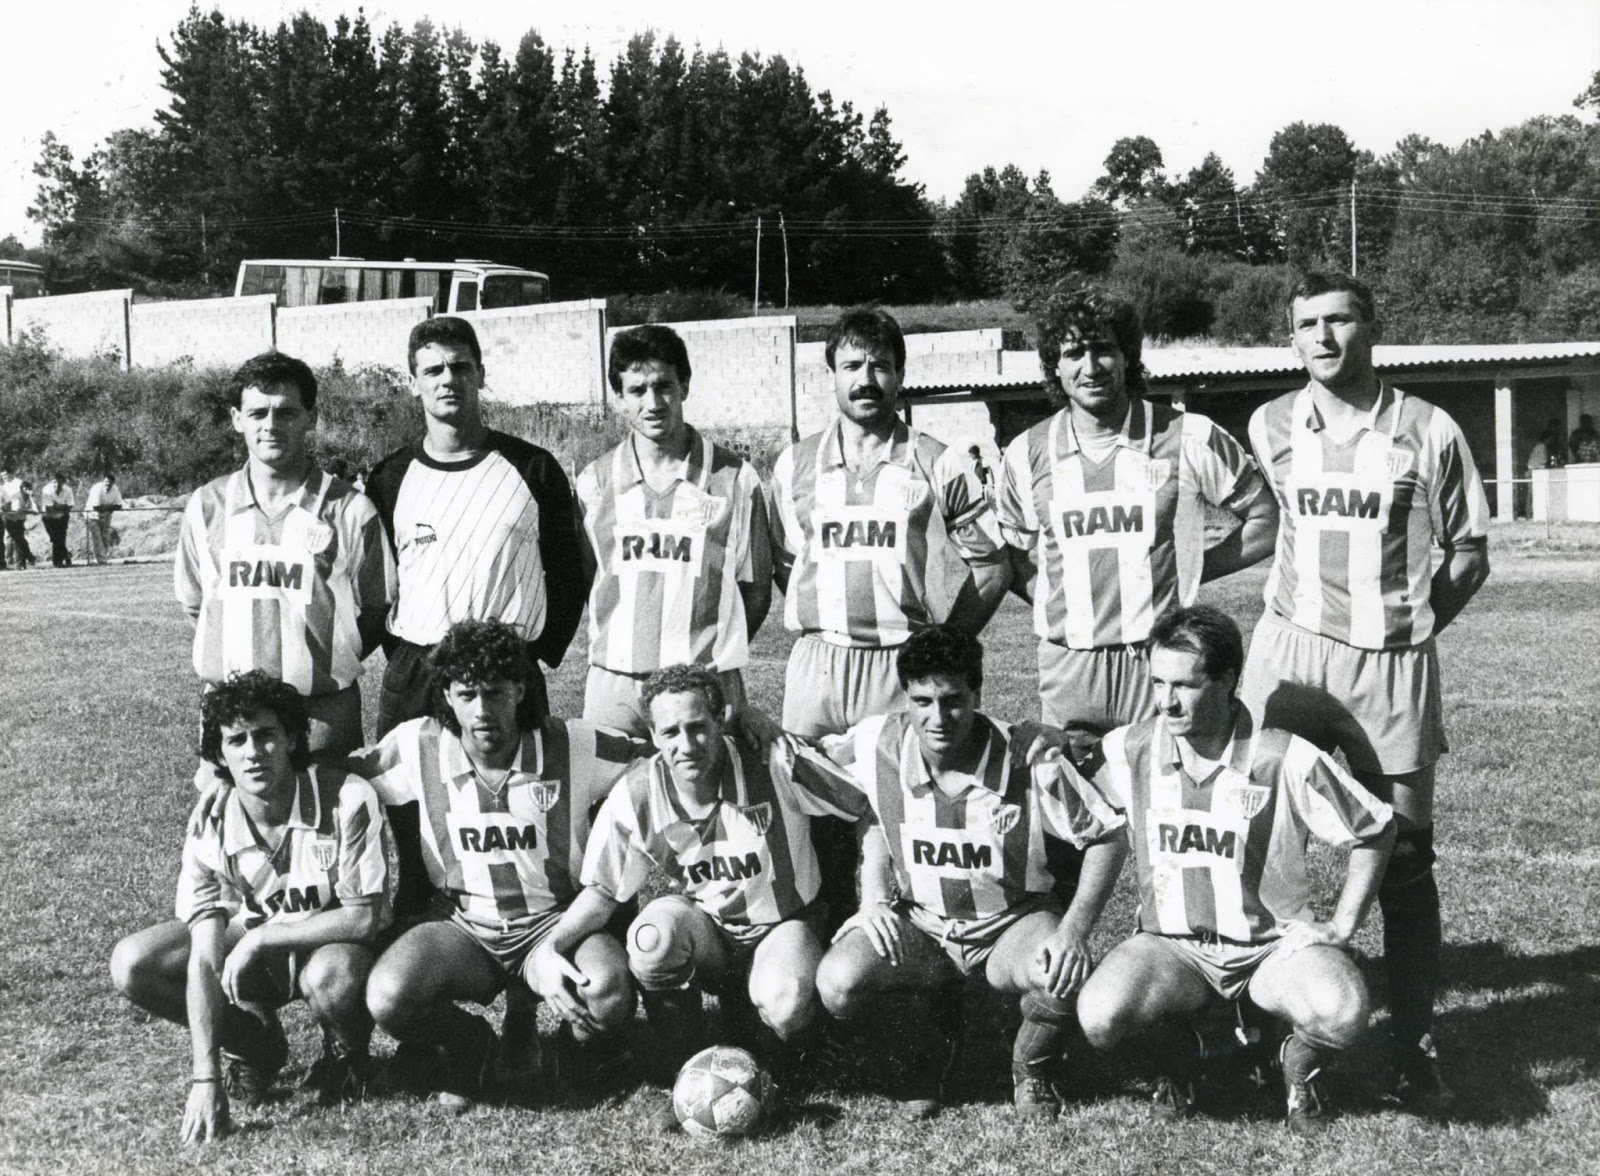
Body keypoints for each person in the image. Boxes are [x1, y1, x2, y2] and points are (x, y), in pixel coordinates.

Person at [1238, 270, 1490, 1114]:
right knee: (1260, 838)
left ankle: (1414, 1043)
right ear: (1292, 335)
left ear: (1370, 326)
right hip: (1289, 657)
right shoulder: (1269, 423)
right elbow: (1267, 525)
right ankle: (1252, 1027)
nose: (1322, 337)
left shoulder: (1428, 428)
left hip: (1390, 665)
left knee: (1405, 860)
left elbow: (1465, 556)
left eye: (1339, 320)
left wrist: (1409, 628)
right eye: (1306, 324)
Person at [1069, 605, 1396, 1135]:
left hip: (1269, 948)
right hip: (1173, 947)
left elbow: (1376, 829)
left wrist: (1341, 926)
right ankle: (1186, 1056)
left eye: (1185, 685)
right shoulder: (1132, 748)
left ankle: (1298, 1069)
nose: (1166, 701)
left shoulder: (1280, 756)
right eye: (1157, 682)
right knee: (1100, 1016)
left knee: (1342, 1012)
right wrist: (1036, 742)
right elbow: (1076, 800)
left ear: (1226, 681)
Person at [809, 626, 1127, 1121]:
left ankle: (1031, 1069)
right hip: (923, 925)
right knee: (838, 982)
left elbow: (1108, 835)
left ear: (977, 693)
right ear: (905, 698)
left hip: (1011, 922)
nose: (938, 717)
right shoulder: (876, 742)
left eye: (953, 700)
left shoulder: (1026, 755)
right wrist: (872, 893)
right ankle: (925, 1052)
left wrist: (1074, 931)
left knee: (1061, 971)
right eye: (922, 701)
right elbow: (802, 767)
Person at [768, 306, 1012, 934]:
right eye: (851, 365)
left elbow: (992, 567)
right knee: (810, 812)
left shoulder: (938, 460)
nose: (866, 378)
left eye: (880, 365)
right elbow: (783, 559)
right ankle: (820, 963)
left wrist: (944, 649)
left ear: (901, 375)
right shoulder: (793, 464)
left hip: (896, 662)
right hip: (818, 665)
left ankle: (898, 960)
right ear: (830, 374)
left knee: (901, 813)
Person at [545, 663, 874, 1111]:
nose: (686, 745)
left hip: (784, 925)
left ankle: (787, 1065)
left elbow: (861, 801)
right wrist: (553, 946)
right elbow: (604, 892)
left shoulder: (773, 761)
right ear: (654, 735)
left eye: (698, 727)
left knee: (785, 998)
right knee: (651, 940)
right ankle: (684, 1066)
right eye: (671, 732)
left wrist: (876, 895)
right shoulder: (638, 793)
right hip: (712, 931)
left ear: (723, 720)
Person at [356, 620, 642, 1112]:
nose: (483, 710)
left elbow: (662, 760)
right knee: (388, 996)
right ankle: (472, 1047)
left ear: (521, 689)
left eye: (495, 692)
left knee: (610, 991)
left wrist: (744, 733)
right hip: (465, 926)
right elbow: (339, 774)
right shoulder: (416, 745)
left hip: (556, 922)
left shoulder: (573, 743)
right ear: (446, 693)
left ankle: (572, 1056)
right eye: (467, 694)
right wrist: (231, 771)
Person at [365, 316, 588, 921]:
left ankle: (526, 929)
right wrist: (407, 654)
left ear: (481, 374)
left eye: (460, 366)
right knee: (409, 804)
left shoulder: (533, 467)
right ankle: (418, 913)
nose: (448, 380)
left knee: (522, 803)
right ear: (414, 382)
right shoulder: (388, 477)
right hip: (419, 664)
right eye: (433, 369)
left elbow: (571, 569)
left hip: (504, 663)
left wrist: (535, 652)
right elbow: (377, 579)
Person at [108, 671, 390, 1142]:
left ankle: (346, 1052)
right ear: (219, 754)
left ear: (293, 737)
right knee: (135, 963)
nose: (253, 752)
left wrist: (262, 937)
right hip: (251, 954)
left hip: (331, 946)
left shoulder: (346, 798)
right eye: (236, 740)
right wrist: (206, 1076)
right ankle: (254, 1045)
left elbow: (363, 917)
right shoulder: (212, 821)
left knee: (331, 976)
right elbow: (203, 957)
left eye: (265, 735)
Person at [997, 288, 1277, 756]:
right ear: (1055, 366)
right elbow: (1009, 549)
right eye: (1073, 353)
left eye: (1103, 349)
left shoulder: (1189, 435)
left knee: (1162, 801)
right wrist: (1054, 595)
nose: (1090, 367)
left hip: (1159, 660)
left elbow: (1266, 520)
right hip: (1069, 666)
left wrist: (1189, 569)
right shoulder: (1026, 452)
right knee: (1075, 808)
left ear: (1127, 356)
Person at [176, 351, 395, 763]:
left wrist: (323, 659)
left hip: (321, 716)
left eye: (286, 412)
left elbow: (377, 608)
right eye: (257, 413)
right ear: (237, 419)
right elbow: (195, 603)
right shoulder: (206, 505)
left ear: (311, 417)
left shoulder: (350, 509)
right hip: (233, 719)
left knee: (331, 821)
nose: (271, 425)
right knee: (237, 827)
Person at [574, 325, 772, 737]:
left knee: (715, 799)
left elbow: (755, 591)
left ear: (684, 385)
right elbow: (585, 578)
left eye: (663, 386)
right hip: (617, 687)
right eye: (637, 390)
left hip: (704, 684)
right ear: (619, 397)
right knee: (613, 800)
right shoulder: (594, 481)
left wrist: (713, 652)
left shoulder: (735, 478)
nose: (652, 402)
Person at [84, 470, 124, 565]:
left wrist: (107, 508)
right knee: (97, 538)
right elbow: (96, 507)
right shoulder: (97, 488)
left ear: (113, 483)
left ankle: (102, 559)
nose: (107, 484)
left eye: (109, 483)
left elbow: (119, 505)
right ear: (103, 481)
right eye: (105, 482)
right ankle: (102, 561)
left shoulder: (115, 489)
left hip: (106, 516)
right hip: (92, 515)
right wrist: (110, 506)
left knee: (105, 538)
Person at [1, 474, 39, 569]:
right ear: (22, 489)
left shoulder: (29, 497)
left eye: (30, 489)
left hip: (19, 520)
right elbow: (17, 509)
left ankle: (23, 562)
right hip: (10, 519)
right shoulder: (16, 496)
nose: (29, 491)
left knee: (20, 540)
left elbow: (35, 508)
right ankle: (27, 559)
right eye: (27, 489)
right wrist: (30, 511)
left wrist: (33, 510)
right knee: (19, 540)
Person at [39, 472, 75, 567]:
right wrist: (62, 506)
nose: (57, 484)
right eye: (54, 482)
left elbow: (70, 506)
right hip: (48, 518)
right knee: (55, 539)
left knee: (60, 539)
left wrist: (57, 506)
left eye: (59, 482)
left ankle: (57, 562)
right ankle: (66, 555)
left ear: (63, 482)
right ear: (52, 482)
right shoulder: (46, 490)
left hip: (62, 517)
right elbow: (49, 508)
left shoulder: (68, 490)